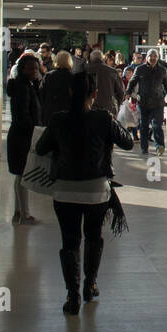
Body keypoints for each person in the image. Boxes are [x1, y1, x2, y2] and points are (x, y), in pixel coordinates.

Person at [35, 72, 134, 315]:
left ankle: (72, 295)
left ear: (70, 92)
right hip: (96, 191)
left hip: (65, 191)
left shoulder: (59, 120)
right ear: (95, 93)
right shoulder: (103, 118)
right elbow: (128, 142)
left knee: (69, 242)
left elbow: (40, 148)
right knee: (93, 237)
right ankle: (90, 284)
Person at [6, 52, 42, 225]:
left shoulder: (24, 85)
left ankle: (19, 211)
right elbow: (24, 114)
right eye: (31, 68)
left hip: (19, 134)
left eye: (36, 68)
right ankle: (24, 214)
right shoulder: (23, 88)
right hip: (23, 135)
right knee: (22, 175)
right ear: (22, 69)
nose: (35, 71)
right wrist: (33, 130)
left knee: (19, 175)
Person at [127, 49, 167, 155]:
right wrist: (128, 92)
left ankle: (160, 146)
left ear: (157, 58)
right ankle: (144, 148)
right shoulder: (140, 69)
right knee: (143, 126)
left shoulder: (162, 70)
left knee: (157, 125)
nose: (153, 58)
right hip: (143, 103)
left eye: (155, 56)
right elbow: (132, 82)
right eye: (151, 56)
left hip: (158, 102)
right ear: (147, 58)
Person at [88, 48, 126, 118]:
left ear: (91, 59)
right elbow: (121, 91)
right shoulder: (112, 71)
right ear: (102, 59)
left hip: (89, 107)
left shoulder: (86, 70)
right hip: (108, 107)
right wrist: (117, 105)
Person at [41, 49, 75, 121]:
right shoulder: (72, 77)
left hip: (50, 112)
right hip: (67, 113)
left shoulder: (48, 76)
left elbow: (41, 94)